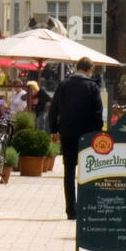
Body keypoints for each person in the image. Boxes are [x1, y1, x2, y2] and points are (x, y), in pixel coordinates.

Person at [48, 57, 104, 220]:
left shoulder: (64, 85)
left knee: (69, 172)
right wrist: (97, 132)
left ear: (77, 68)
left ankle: (71, 210)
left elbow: (54, 110)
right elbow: (98, 113)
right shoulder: (92, 87)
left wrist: (54, 130)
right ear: (89, 70)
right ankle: (85, 206)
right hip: (87, 136)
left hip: (68, 133)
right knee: (88, 171)